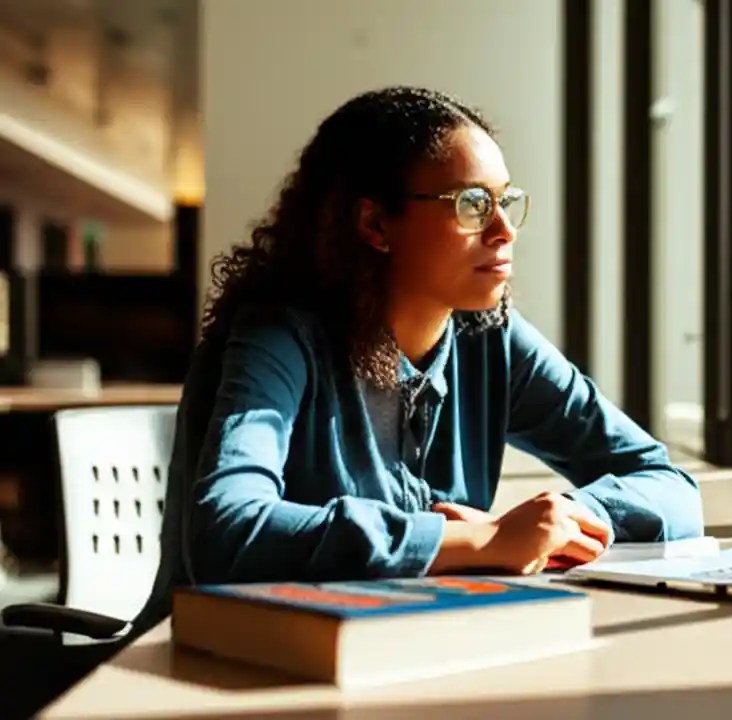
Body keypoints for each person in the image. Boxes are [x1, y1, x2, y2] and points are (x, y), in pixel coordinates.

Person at [138, 86, 702, 628]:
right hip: (224, 667)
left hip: (404, 645)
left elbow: (667, 484)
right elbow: (227, 534)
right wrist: (471, 540)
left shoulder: (490, 337)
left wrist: (568, 519)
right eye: (472, 204)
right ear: (375, 224)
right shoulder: (279, 337)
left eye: (505, 201)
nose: (504, 230)